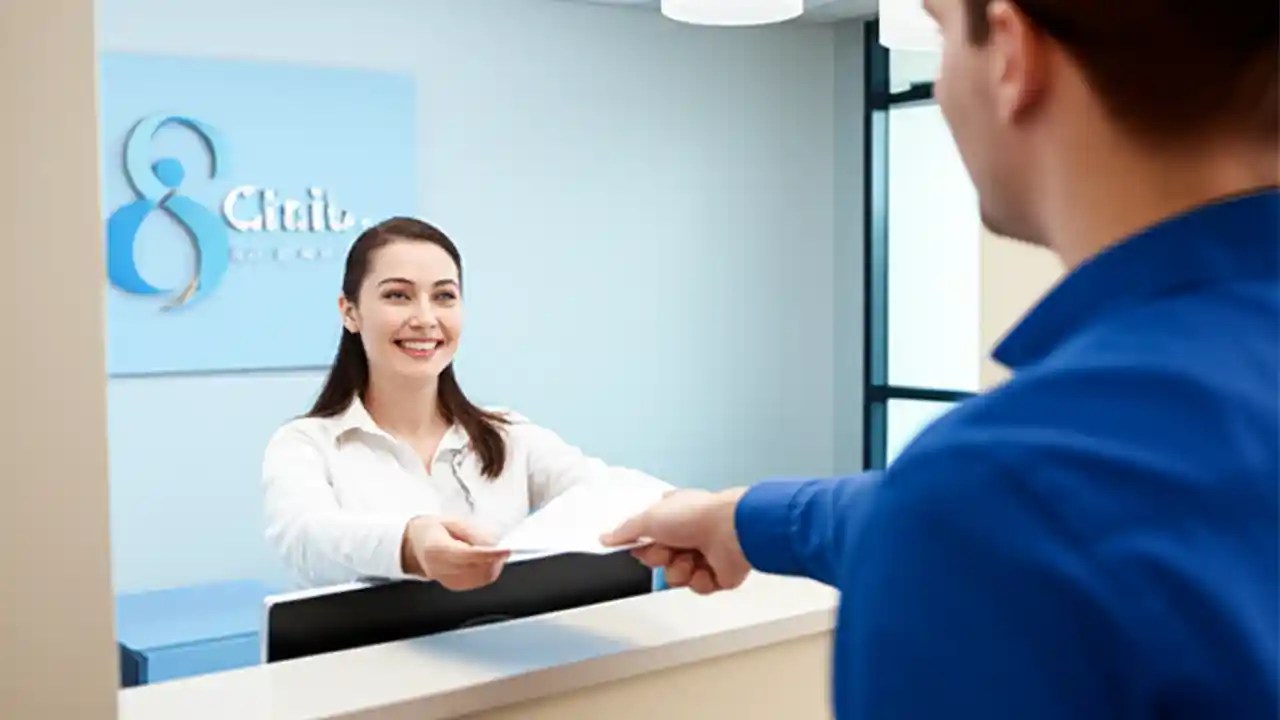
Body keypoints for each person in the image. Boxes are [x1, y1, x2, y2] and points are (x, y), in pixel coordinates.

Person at [603, 0, 1279, 718]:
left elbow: (1003, 518)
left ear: (1012, 55)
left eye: (940, 30)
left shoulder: (998, 495)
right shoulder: (1064, 480)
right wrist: (744, 518)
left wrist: (935, 511)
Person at [263, 217, 670, 590]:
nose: (425, 318)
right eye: (398, 295)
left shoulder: (507, 435)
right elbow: (307, 541)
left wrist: (698, 514)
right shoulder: (304, 443)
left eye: (444, 296)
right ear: (350, 312)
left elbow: (609, 487)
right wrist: (412, 543)